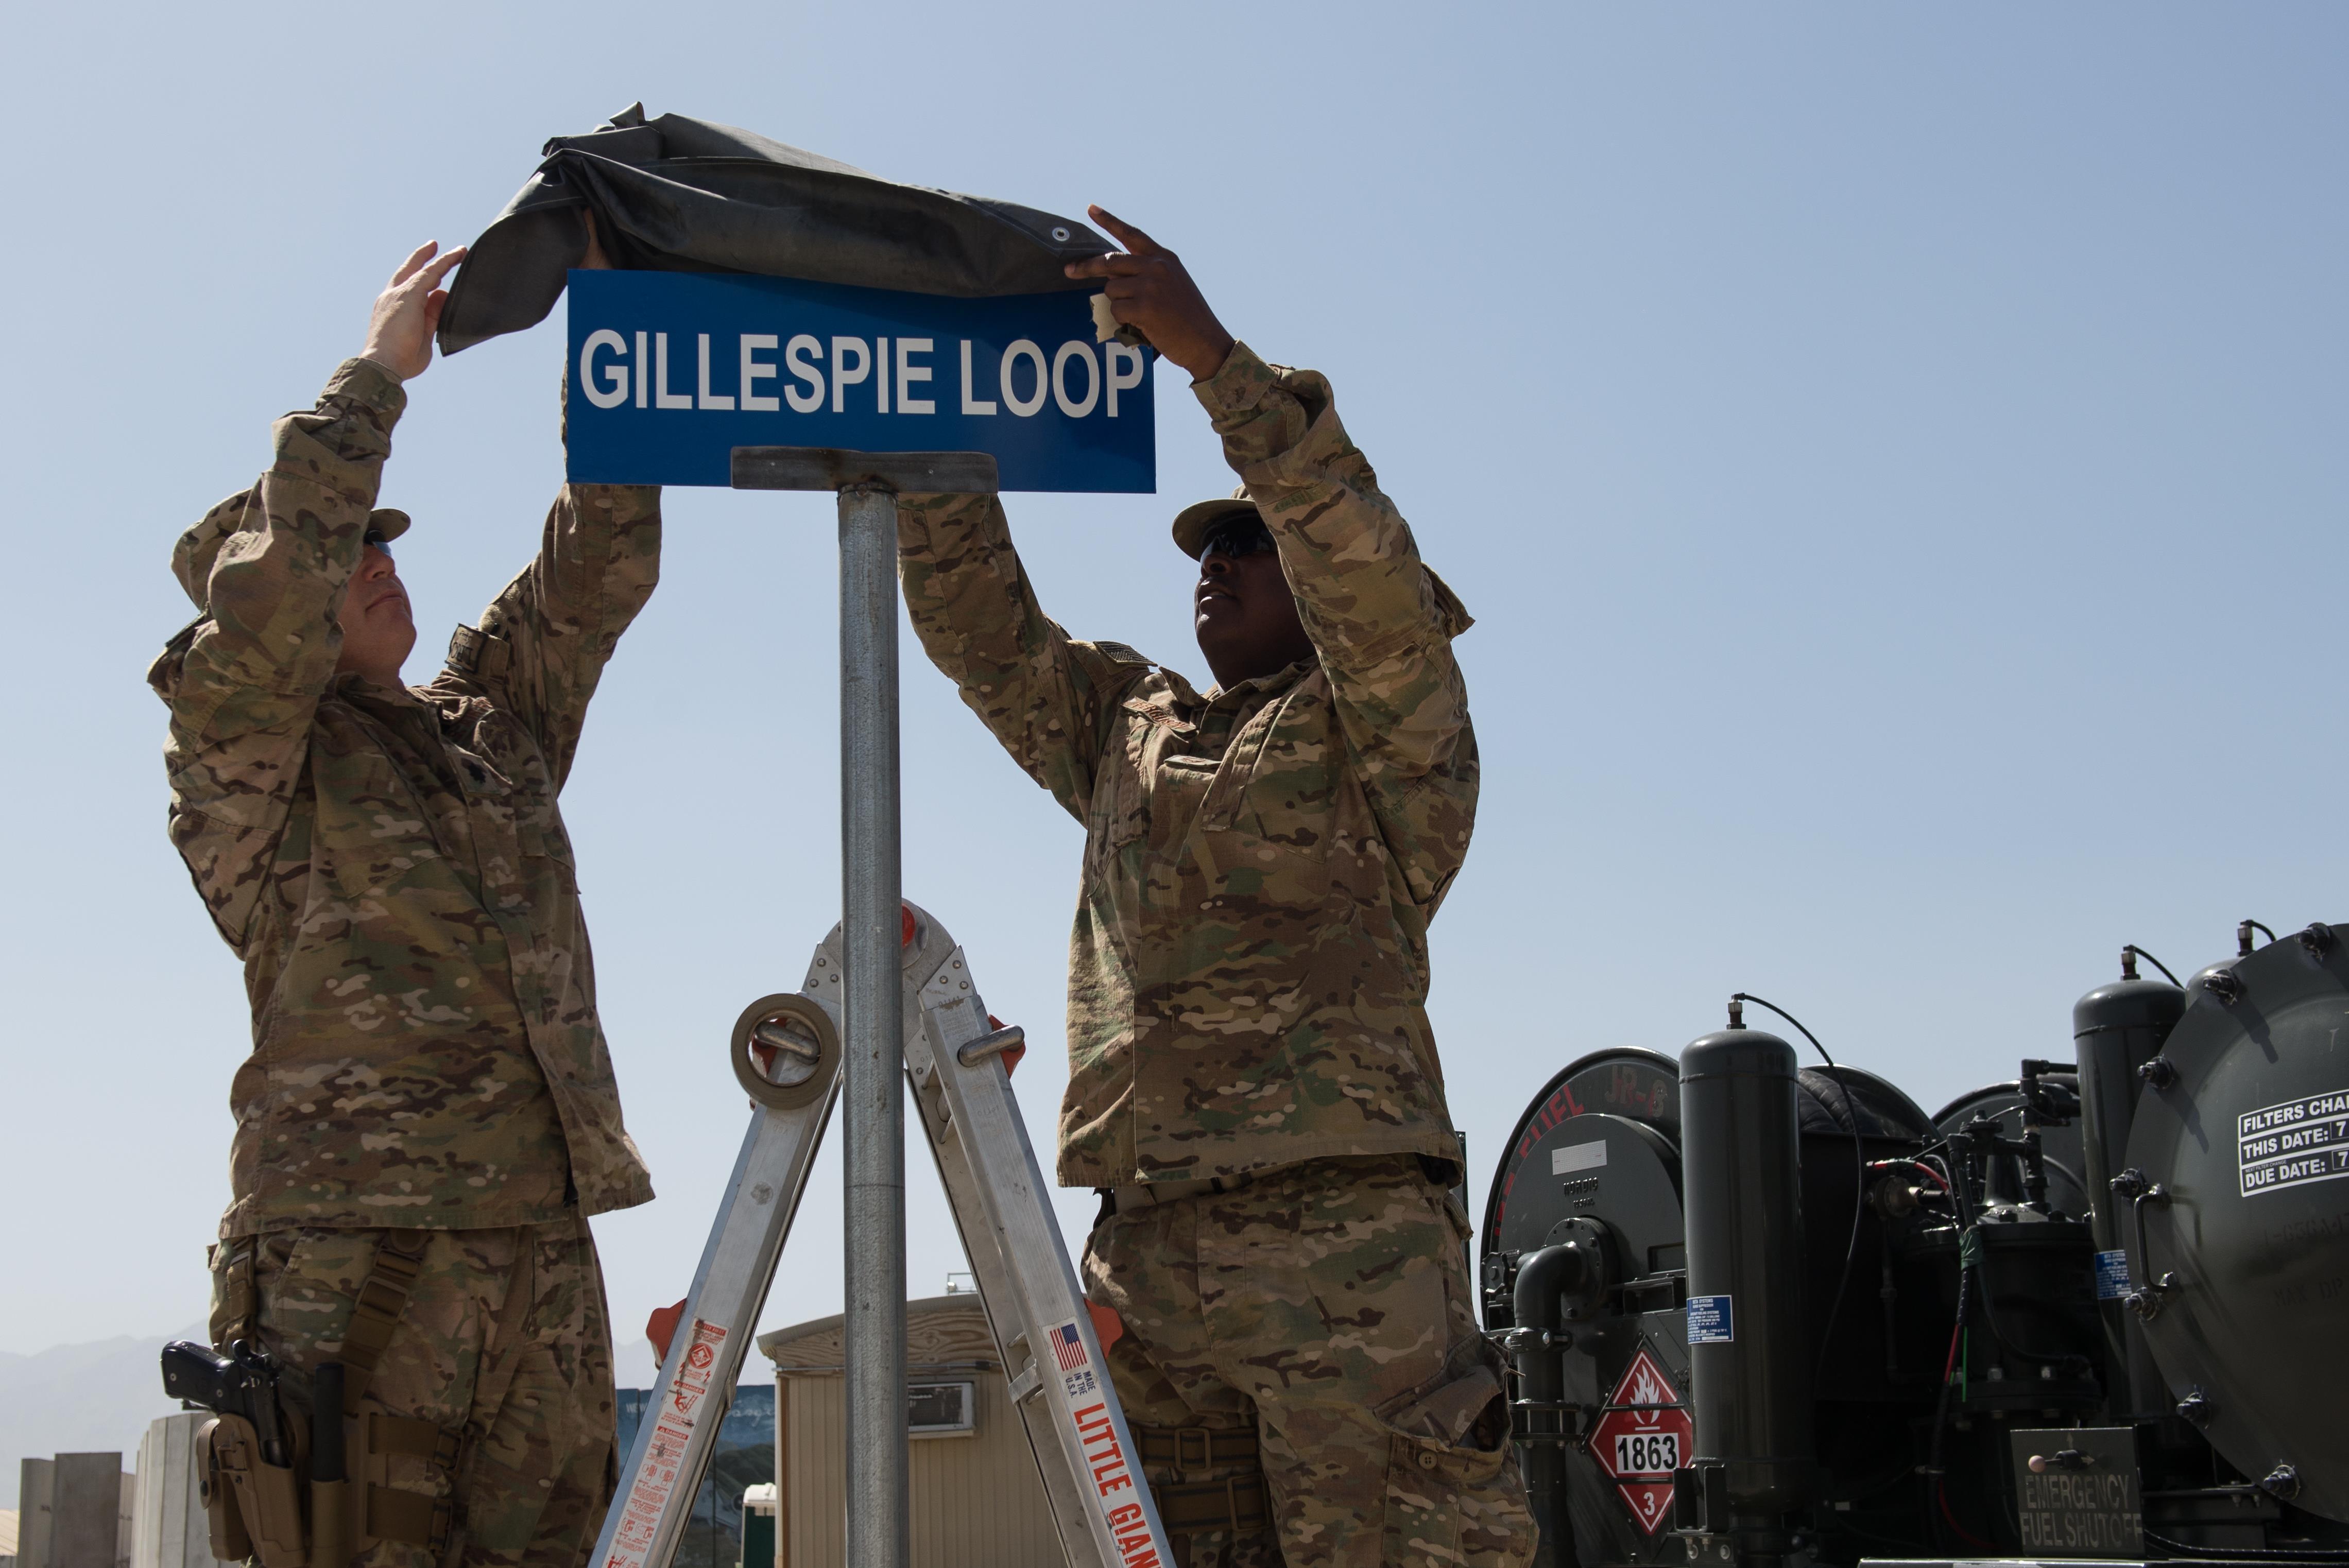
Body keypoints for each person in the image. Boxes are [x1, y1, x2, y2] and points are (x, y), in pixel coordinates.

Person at [895, 208, 1531, 1568]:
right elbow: (983, 634)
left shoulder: (1384, 731)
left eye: (1248, 547)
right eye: (1203, 548)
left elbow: (1358, 562)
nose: (1215, 564)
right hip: (1149, 1247)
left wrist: (1212, 365)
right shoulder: (1132, 723)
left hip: (1343, 1253)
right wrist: (920, 413)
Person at [148, 238, 661, 1568]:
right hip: (358, 1265)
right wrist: (378, 375)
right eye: (344, 551)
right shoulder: (250, 758)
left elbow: (597, 563)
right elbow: (272, 604)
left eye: (380, 540)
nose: (373, 558)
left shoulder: (485, 724)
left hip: (537, 1247)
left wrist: (614, 323)